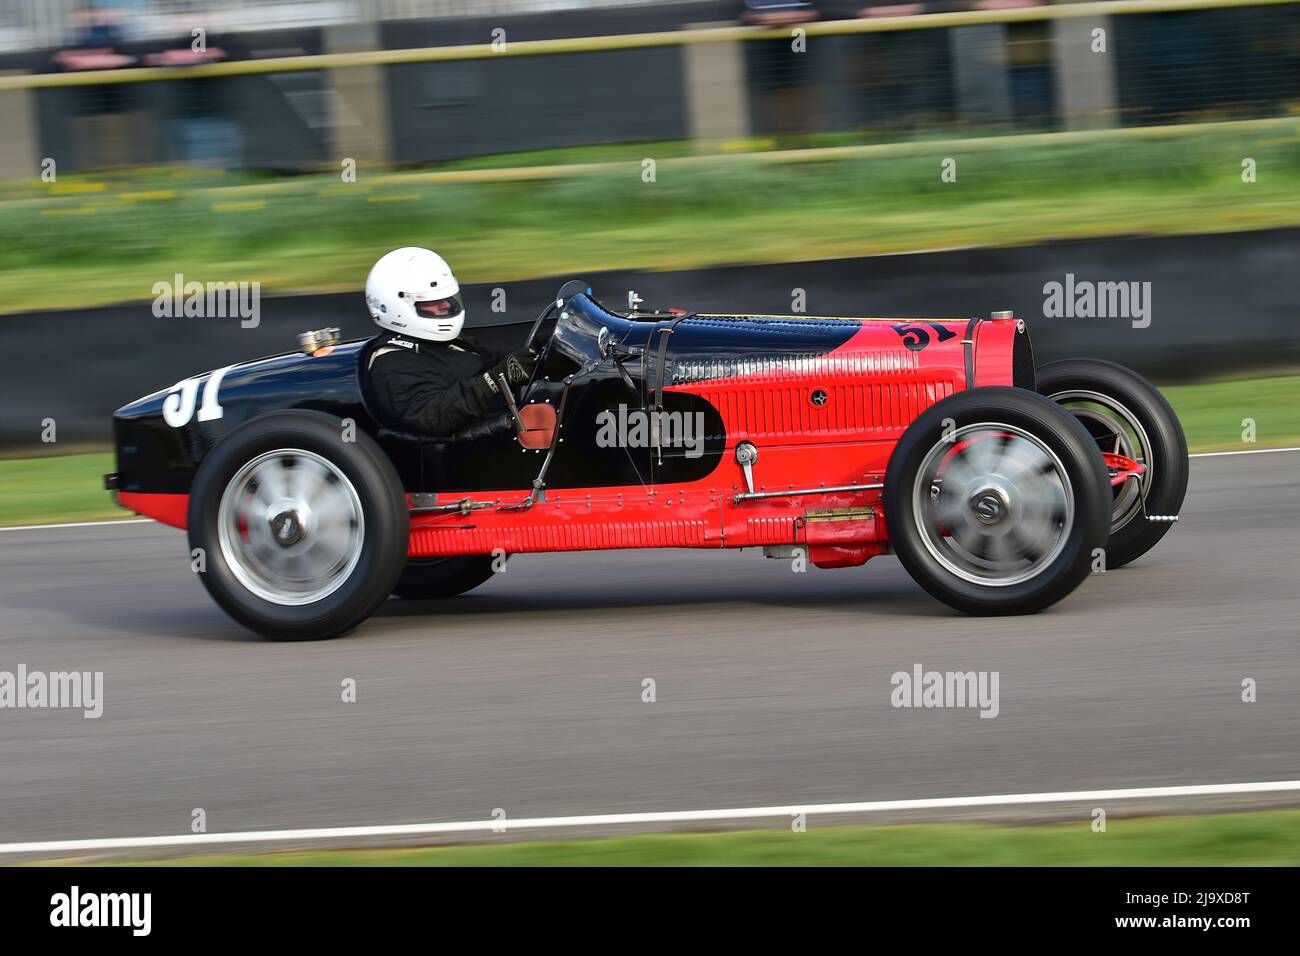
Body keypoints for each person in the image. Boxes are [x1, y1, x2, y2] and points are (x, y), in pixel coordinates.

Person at [365, 247, 536, 435]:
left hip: (503, 424)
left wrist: (539, 350)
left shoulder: (446, 343)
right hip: (472, 448)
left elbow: (495, 361)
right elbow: (433, 417)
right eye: (434, 302)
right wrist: (496, 380)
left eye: (448, 299)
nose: (447, 305)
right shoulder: (392, 362)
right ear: (396, 307)